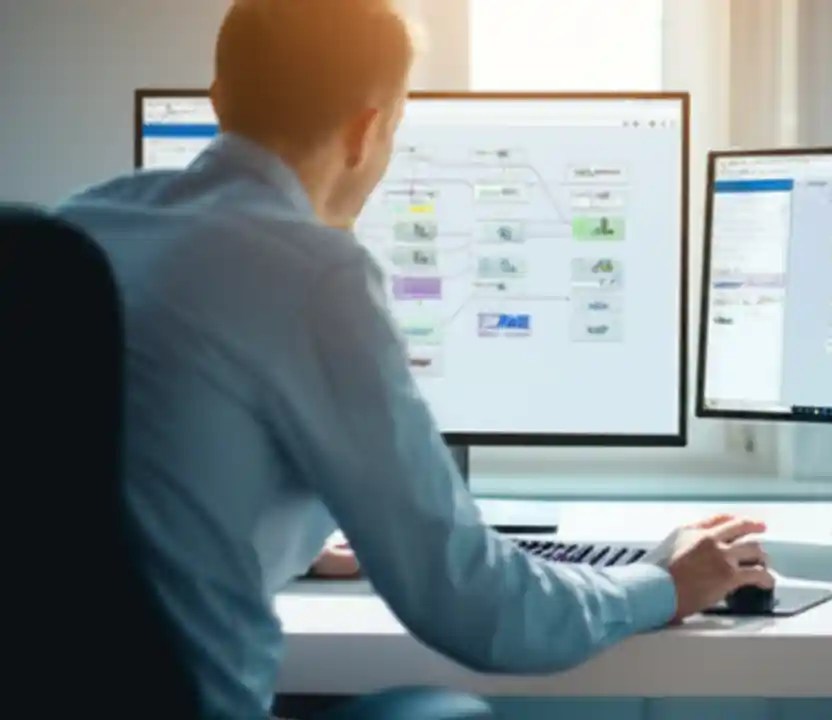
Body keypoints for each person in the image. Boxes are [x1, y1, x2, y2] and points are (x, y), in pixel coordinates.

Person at [54, 1, 773, 718]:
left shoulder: (79, 227)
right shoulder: (311, 270)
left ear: (219, 101)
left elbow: (108, 483)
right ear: (369, 130)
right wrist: (662, 586)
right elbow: (474, 606)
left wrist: (289, 540)